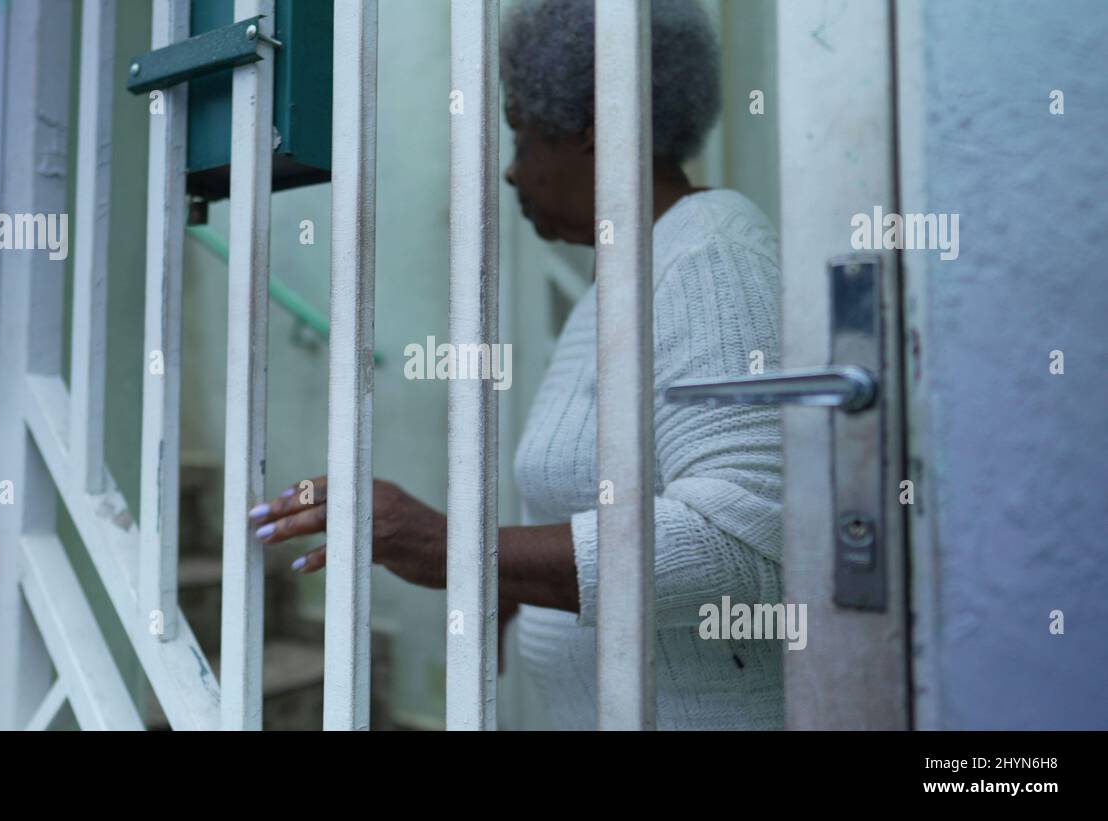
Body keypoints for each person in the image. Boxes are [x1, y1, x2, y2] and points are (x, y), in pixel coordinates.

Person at [247, 0, 784, 730]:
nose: (507, 171)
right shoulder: (626, 275)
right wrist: (517, 577)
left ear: (596, 127)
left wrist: (455, 548)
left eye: (522, 135)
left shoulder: (712, 256)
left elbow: (744, 547)